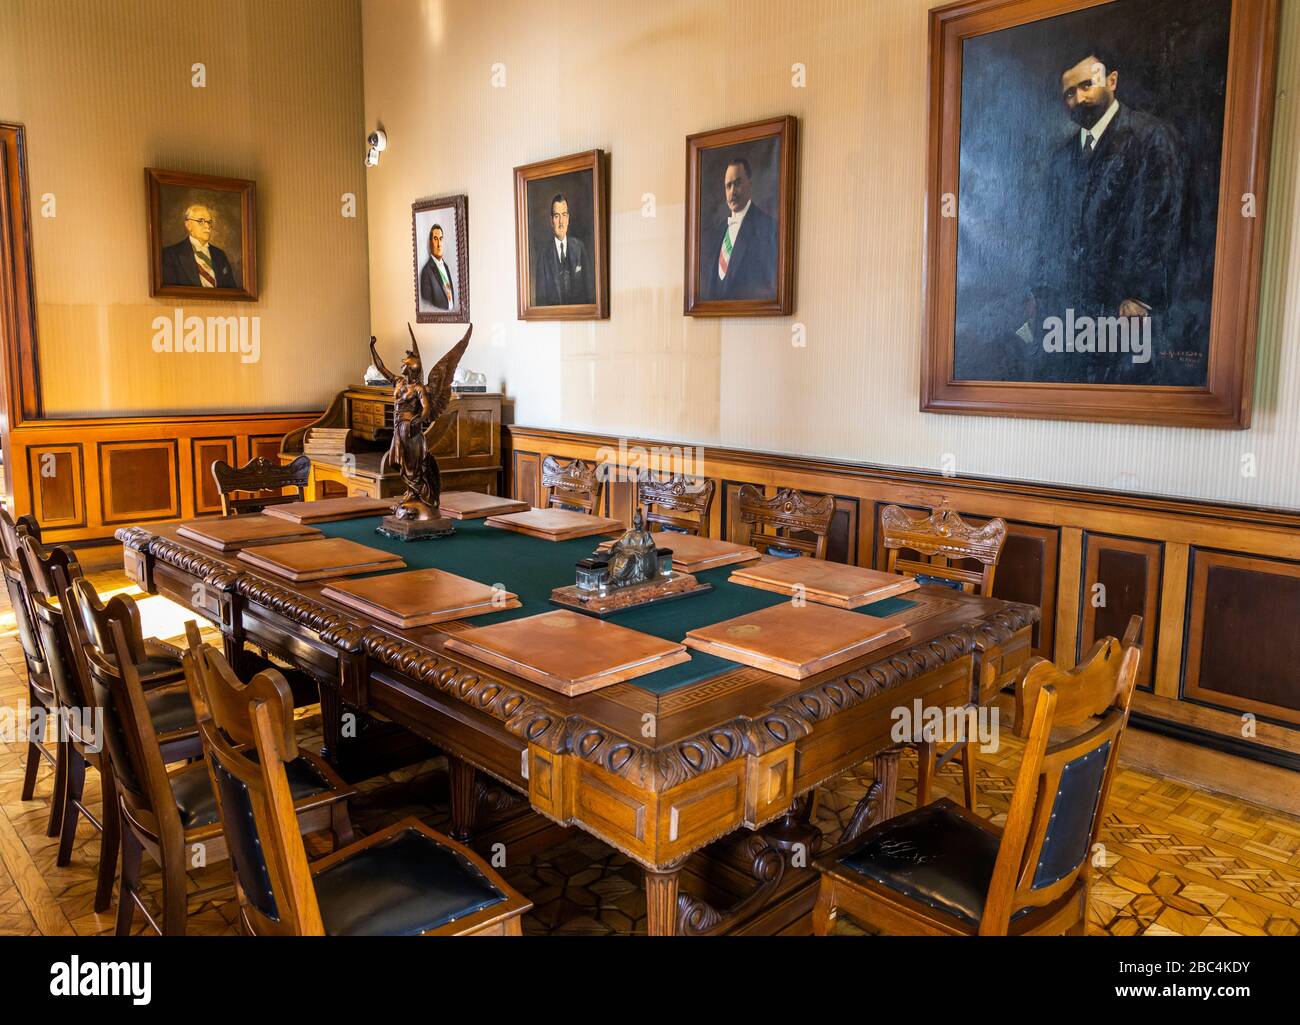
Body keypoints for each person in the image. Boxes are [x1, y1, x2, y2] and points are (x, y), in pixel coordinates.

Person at [700, 156, 777, 302]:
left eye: (738, 183)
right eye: (728, 186)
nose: (732, 192)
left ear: (750, 184)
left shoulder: (767, 227)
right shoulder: (720, 229)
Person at [160, 203, 240, 288]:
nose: (207, 226)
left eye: (209, 222)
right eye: (201, 221)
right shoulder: (170, 254)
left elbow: (231, 289)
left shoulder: (220, 255)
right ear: (188, 225)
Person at [532, 194, 593, 305]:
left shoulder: (580, 248)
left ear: (568, 219)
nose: (561, 222)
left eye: (564, 215)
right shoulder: (543, 255)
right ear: (551, 221)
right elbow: (540, 303)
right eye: (556, 216)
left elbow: (590, 295)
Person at [419, 223, 456, 310]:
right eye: (435, 239)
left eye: (441, 239)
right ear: (431, 242)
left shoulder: (446, 267)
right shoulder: (426, 271)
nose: (439, 244)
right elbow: (428, 307)